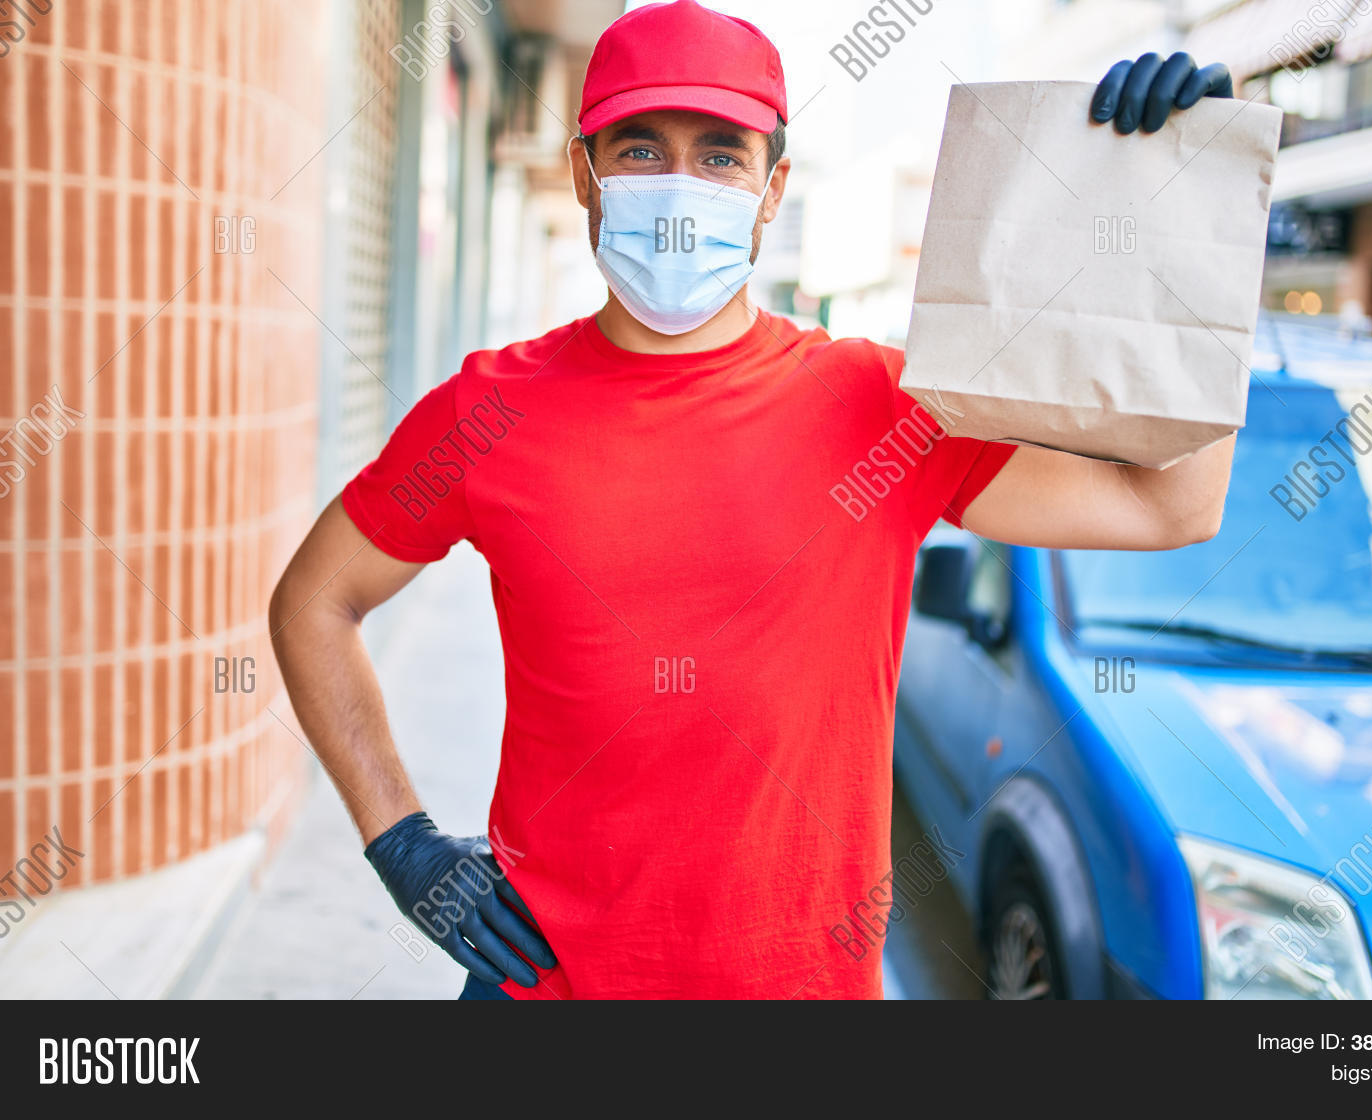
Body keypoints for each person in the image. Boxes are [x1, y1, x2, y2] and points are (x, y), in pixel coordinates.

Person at [269, 0, 1238, 1000]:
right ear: (582, 174)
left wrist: (1186, 203)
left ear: (773, 191)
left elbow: (1169, 506)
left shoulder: (879, 406)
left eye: (721, 155)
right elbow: (314, 603)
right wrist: (404, 845)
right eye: (641, 148)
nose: (681, 185)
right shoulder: (486, 411)